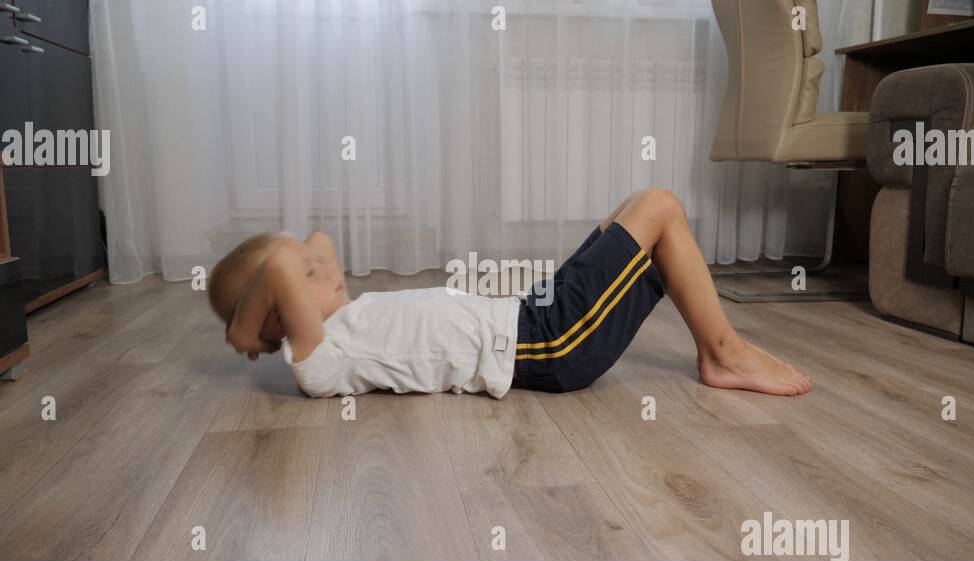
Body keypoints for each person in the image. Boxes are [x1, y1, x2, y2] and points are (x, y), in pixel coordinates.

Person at [208, 189, 812, 399]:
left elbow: (304, 247)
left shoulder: (340, 317)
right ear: (279, 315)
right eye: (305, 275)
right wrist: (245, 328)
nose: (320, 264)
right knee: (659, 207)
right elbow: (289, 261)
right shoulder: (322, 361)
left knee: (626, 214)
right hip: (544, 348)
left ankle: (719, 348)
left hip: (529, 315)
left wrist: (276, 288)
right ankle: (723, 351)